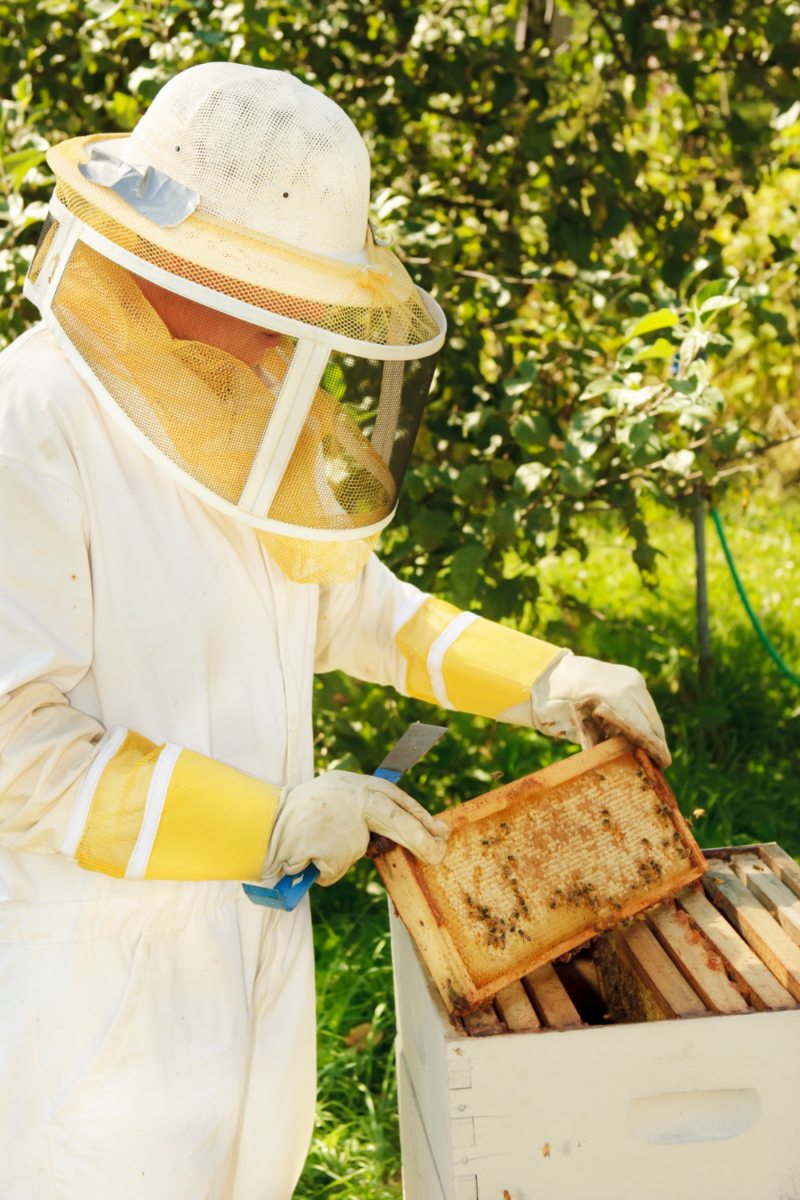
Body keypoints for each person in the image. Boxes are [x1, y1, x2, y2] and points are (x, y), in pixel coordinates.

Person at [0, 62, 669, 1199]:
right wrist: (271, 820)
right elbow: (20, 758)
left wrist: (548, 678)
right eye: (285, 286)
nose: (308, 319)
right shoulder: (32, 428)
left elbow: (357, 607)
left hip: (243, 954)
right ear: (188, 257)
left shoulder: (238, 406)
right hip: (89, 998)